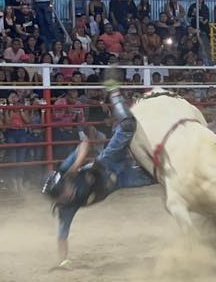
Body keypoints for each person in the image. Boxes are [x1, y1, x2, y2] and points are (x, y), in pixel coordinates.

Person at [41, 78, 156, 267]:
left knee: (128, 125)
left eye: (65, 187)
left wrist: (74, 167)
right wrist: (63, 260)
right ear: (59, 199)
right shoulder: (66, 209)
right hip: (120, 180)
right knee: (158, 177)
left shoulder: (65, 171)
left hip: (106, 162)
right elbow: (62, 235)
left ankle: (114, 93)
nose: (68, 191)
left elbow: (84, 144)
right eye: (64, 192)